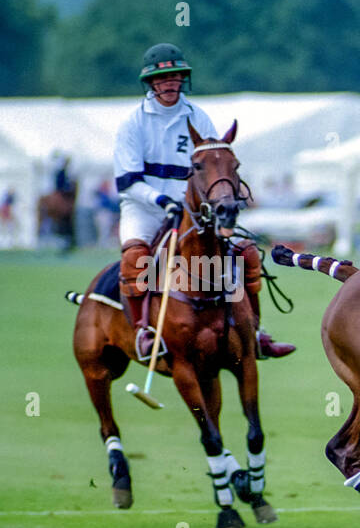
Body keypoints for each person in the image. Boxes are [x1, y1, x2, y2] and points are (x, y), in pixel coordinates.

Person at [114, 42, 294, 360]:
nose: (170, 84)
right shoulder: (134, 123)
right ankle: (144, 330)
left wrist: (219, 198)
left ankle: (255, 332)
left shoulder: (198, 116)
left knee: (247, 253)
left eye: (176, 77)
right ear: (151, 83)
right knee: (136, 259)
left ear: (183, 80)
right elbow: (127, 180)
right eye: (163, 79)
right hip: (144, 207)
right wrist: (160, 200)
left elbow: (216, 161)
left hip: (195, 208)